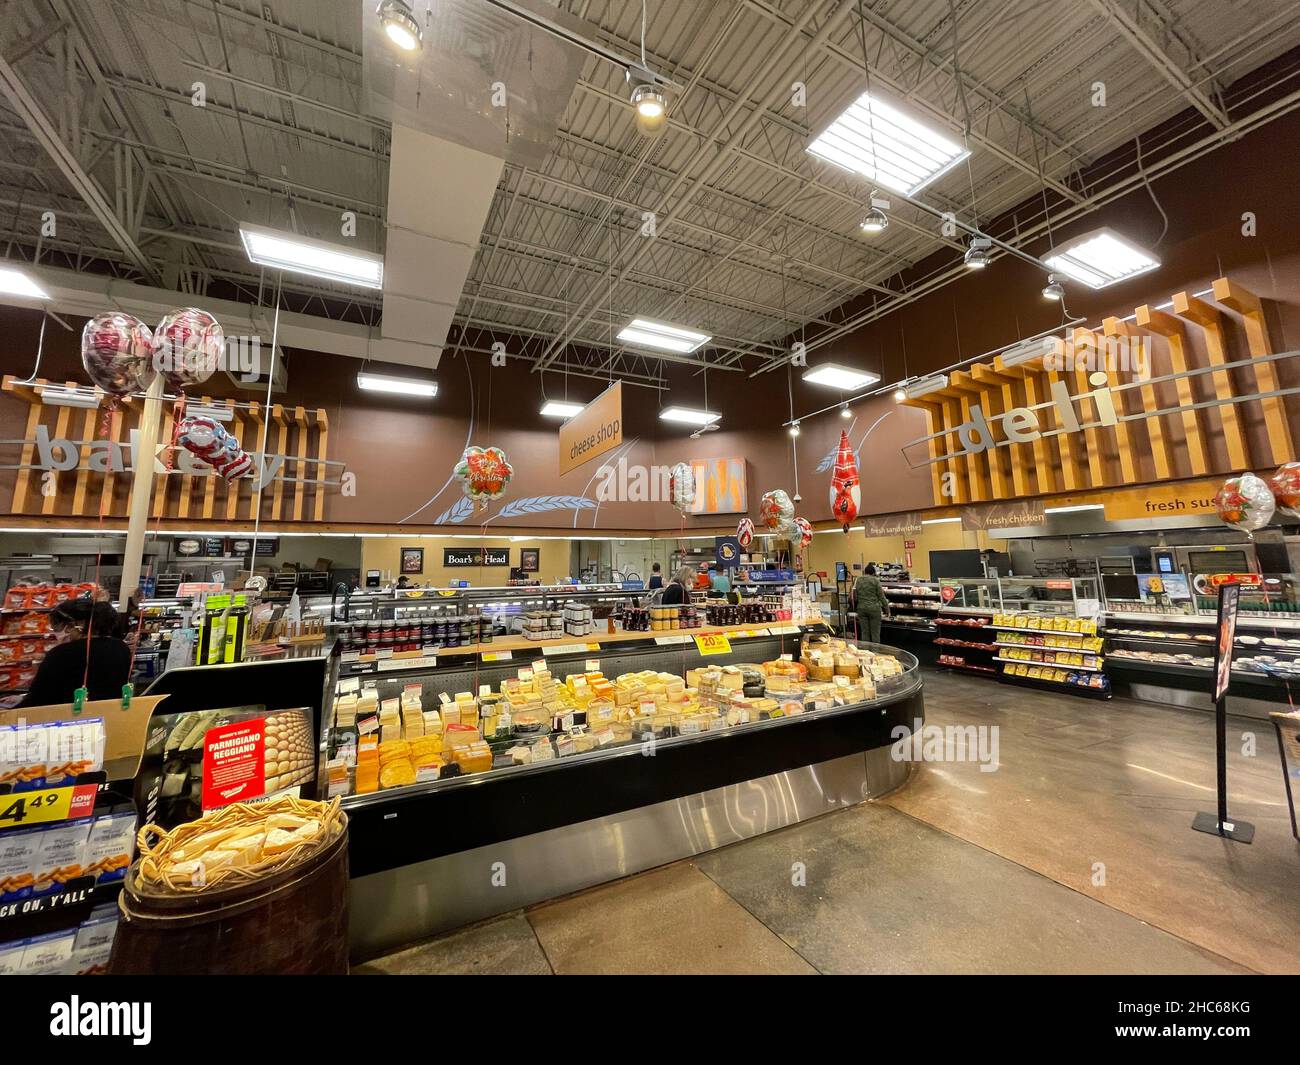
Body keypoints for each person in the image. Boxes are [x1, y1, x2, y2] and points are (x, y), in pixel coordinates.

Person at [19, 598, 132, 708]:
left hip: (70, 719)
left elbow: (38, 699)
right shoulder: (121, 648)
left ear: (77, 625)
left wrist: (13, 707)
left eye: (61, 626)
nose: (61, 632)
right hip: (111, 715)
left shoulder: (61, 654)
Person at [853, 563, 888, 644]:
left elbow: (855, 594)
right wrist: (887, 610)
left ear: (865, 572)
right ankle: (875, 653)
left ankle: (866, 653)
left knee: (864, 633)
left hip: (861, 609)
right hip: (874, 609)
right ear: (873, 572)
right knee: (875, 634)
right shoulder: (875, 580)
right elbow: (881, 597)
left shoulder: (858, 579)